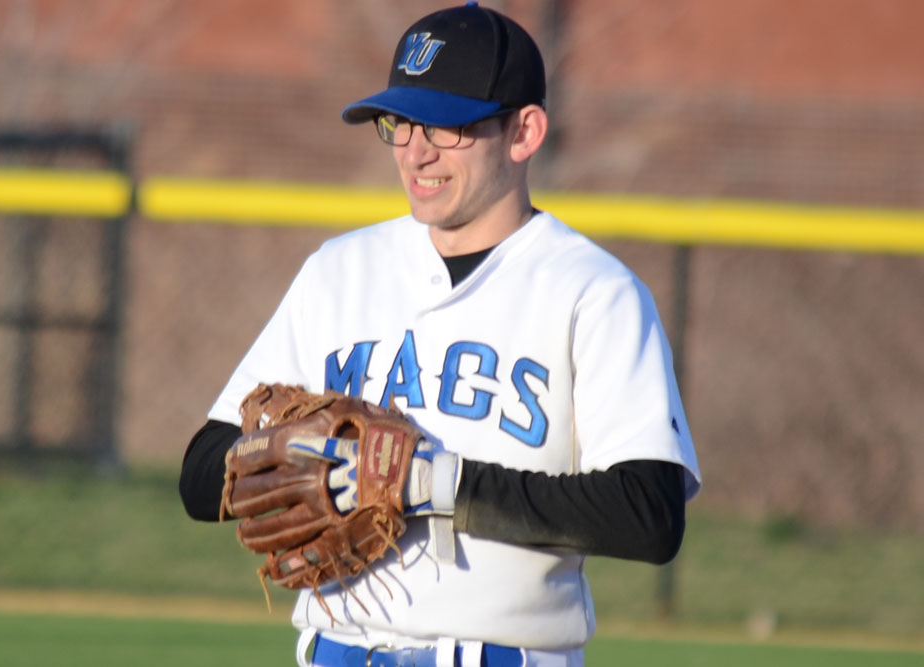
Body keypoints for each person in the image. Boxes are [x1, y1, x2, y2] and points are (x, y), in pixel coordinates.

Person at [179, 3, 701, 666]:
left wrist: (433, 484)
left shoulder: (593, 292)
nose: (416, 152)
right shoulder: (338, 272)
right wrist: (313, 459)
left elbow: (648, 514)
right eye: (400, 124)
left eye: (447, 127)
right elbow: (201, 473)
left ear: (524, 131)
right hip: (335, 651)